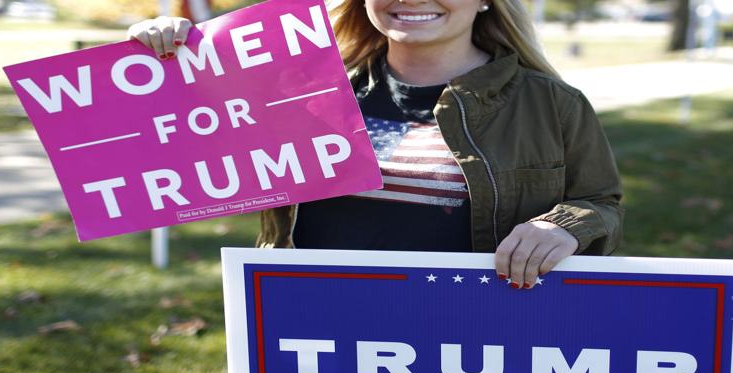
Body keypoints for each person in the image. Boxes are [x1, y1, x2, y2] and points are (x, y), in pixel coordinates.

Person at [128, 0, 623, 288]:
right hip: (319, 330)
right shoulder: (300, 91)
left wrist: (563, 227)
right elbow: (173, 140)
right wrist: (170, 58)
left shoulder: (550, 103)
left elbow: (599, 201)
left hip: (478, 332)